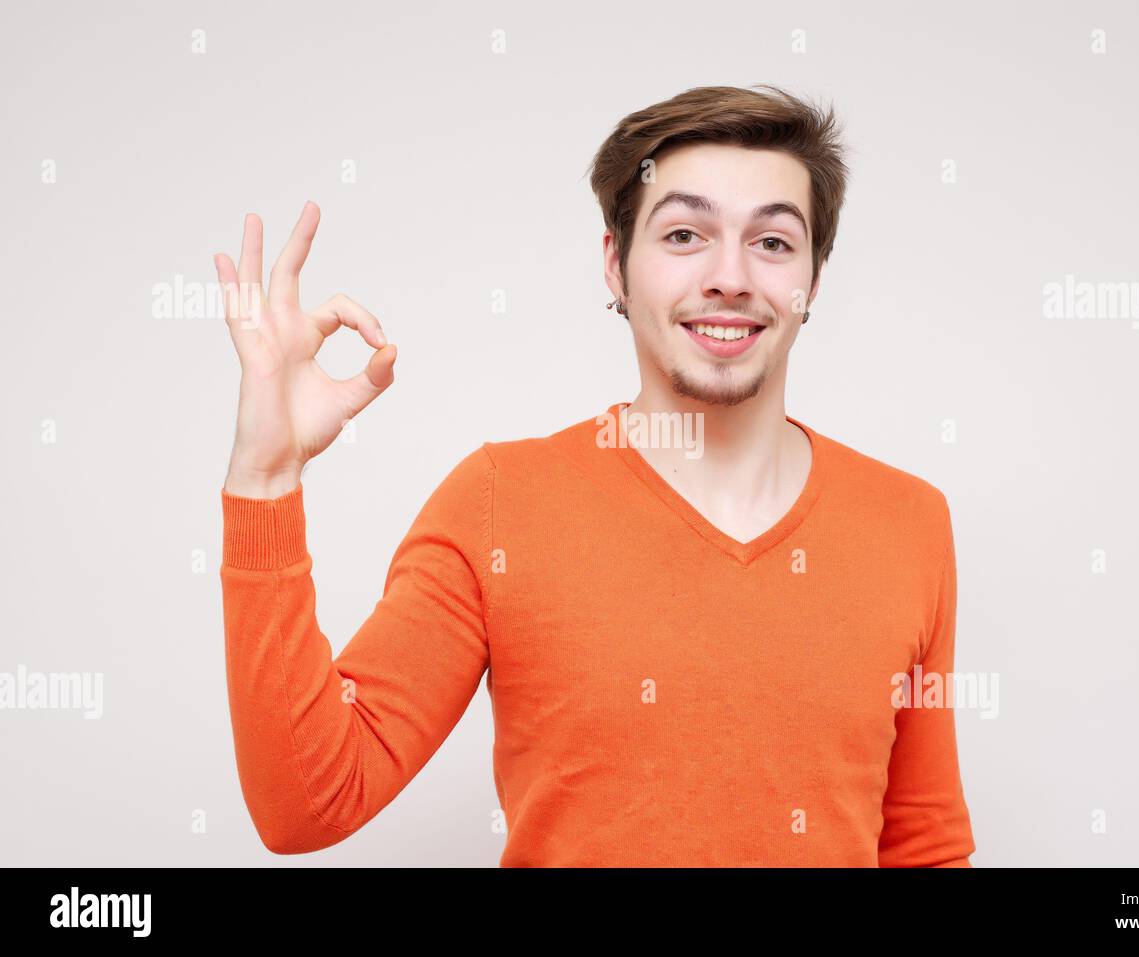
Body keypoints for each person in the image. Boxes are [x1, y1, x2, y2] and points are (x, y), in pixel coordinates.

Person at [215, 84, 976, 867]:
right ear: (616, 266)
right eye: (684, 234)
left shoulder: (910, 521)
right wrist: (264, 480)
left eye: (774, 243)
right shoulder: (499, 503)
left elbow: (924, 844)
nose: (730, 276)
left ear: (812, 281)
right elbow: (306, 802)